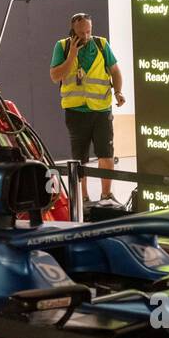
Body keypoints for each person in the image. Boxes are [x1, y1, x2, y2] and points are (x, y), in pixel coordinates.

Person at [49, 13, 125, 207]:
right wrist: (72, 56)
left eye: (89, 31)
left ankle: (106, 195)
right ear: (72, 31)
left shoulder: (101, 44)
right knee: (79, 157)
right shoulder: (63, 47)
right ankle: (82, 198)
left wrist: (118, 92)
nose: (86, 35)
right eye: (81, 32)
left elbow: (115, 70)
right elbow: (55, 76)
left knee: (106, 153)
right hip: (76, 111)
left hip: (101, 110)